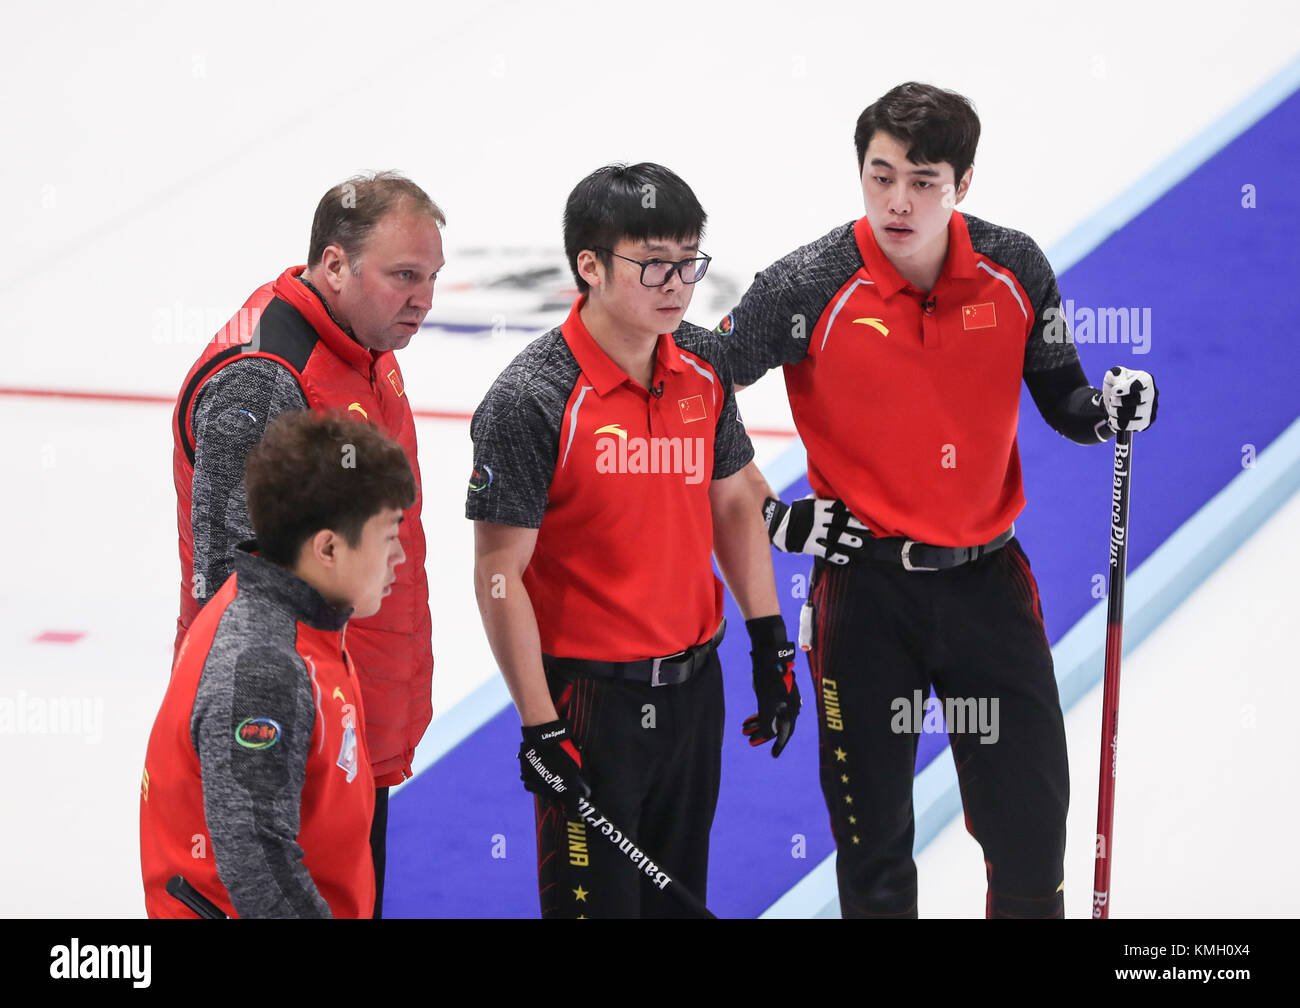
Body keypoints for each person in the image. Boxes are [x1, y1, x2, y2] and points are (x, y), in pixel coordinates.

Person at [719, 82, 1159, 919]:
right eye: (880, 175)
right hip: (864, 601)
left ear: (964, 182)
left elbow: (1066, 398)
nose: (897, 200)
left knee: (1029, 836)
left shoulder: (1016, 268)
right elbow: (697, 383)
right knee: (874, 854)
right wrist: (775, 515)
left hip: (986, 591)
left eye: (923, 179)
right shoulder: (808, 284)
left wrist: (1112, 411)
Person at [467, 163, 799, 919]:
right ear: (589, 265)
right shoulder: (532, 400)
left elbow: (733, 506)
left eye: (689, 261)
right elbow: (498, 574)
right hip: (590, 706)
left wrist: (769, 640)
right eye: (653, 263)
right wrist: (539, 725)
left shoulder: (705, 368)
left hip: (695, 693)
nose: (677, 284)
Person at [170, 171, 444, 917]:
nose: (424, 298)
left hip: (346, 714)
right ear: (333, 265)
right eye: (404, 276)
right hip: (289, 734)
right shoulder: (265, 382)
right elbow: (232, 597)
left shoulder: (360, 338)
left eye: (432, 277)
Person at [142, 410, 415, 918]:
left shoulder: (301, 618)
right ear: (328, 547)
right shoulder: (265, 666)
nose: (400, 556)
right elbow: (257, 865)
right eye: (388, 536)